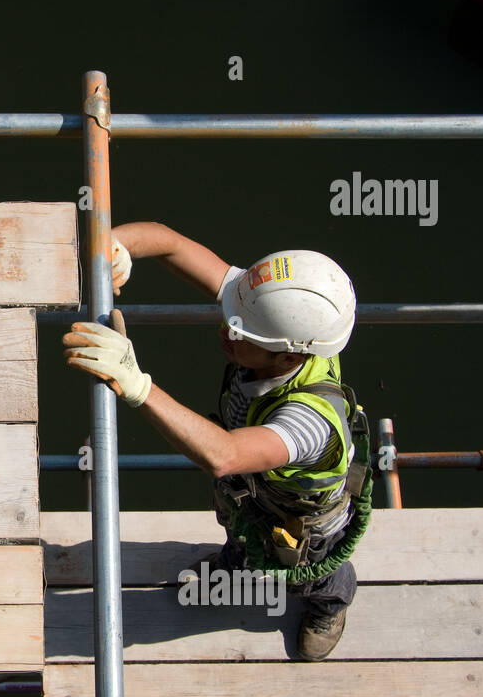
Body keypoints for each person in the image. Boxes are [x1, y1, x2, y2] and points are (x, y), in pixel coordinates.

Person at [62, 222, 369, 661]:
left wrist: (136, 384)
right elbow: (171, 243)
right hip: (252, 495)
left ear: (288, 355)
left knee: (305, 571)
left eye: (241, 334)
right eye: (231, 317)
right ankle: (236, 567)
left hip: (300, 518)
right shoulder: (274, 317)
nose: (226, 330)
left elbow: (225, 456)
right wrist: (117, 246)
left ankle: (330, 605)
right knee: (241, 538)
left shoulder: (311, 419)